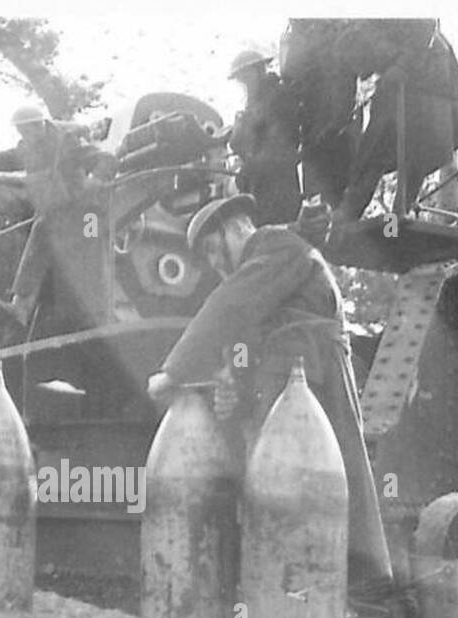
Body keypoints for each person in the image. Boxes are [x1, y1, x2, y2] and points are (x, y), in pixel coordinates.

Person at [146, 194, 392, 590]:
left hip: (312, 369)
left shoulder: (273, 245)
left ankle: (361, 585)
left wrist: (173, 371)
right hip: (299, 370)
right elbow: (252, 335)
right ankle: (314, 581)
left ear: (236, 229)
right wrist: (236, 388)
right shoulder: (274, 263)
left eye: (212, 249)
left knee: (319, 478)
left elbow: (232, 306)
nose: (214, 264)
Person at [281, 19, 458, 223]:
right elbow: (345, 99)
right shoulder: (347, 48)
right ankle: (356, 213)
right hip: (396, 79)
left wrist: (402, 67)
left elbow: (426, 23)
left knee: (400, 145)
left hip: (427, 73)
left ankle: (394, 215)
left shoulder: (378, 28)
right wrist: (332, 129)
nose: (358, 67)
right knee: (375, 148)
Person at [0, 103, 115, 329]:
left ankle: (99, 314)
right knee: (35, 252)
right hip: (57, 214)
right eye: (21, 132)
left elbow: (106, 160)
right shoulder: (26, 152)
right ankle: (21, 306)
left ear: (38, 126)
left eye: (27, 130)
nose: (25, 135)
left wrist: (96, 180)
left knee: (92, 251)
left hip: (88, 212)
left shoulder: (66, 142)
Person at [227, 48, 303, 225]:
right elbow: (239, 143)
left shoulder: (279, 97)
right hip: (260, 186)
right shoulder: (254, 105)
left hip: (278, 185)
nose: (244, 84)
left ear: (258, 71)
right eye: (241, 80)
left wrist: (250, 168)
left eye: (246, 77)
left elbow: (279, 147)